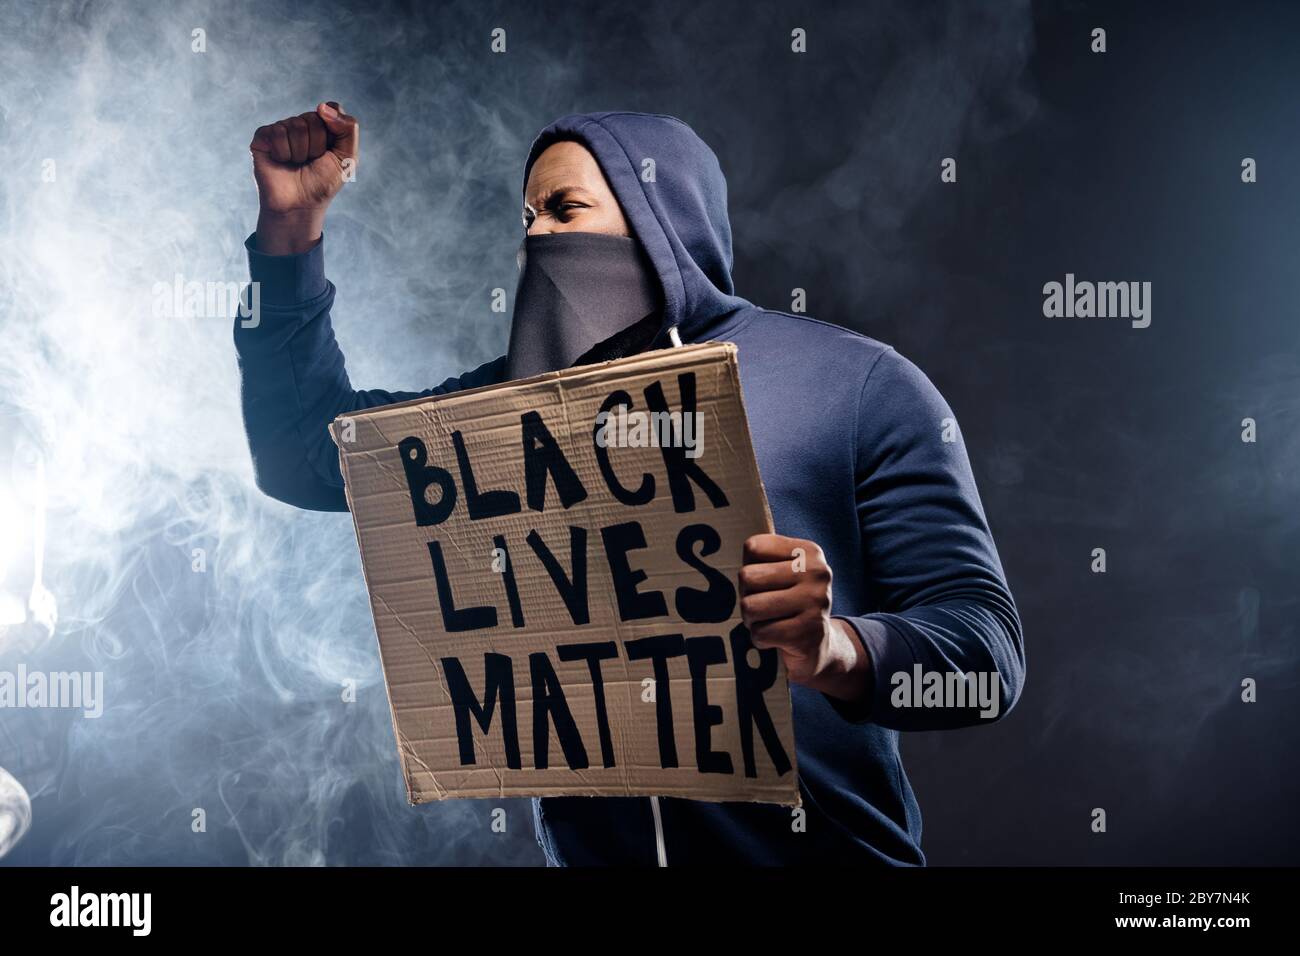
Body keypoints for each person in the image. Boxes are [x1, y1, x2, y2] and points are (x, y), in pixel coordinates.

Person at [235, 103, 1025, 865]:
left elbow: (988, 659)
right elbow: (304, 452)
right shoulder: (505, 413)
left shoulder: (857, 386)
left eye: (564, 209)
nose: (536, 237)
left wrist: (837, 651)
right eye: (526, 219)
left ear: (660, 220)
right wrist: (288, 234)